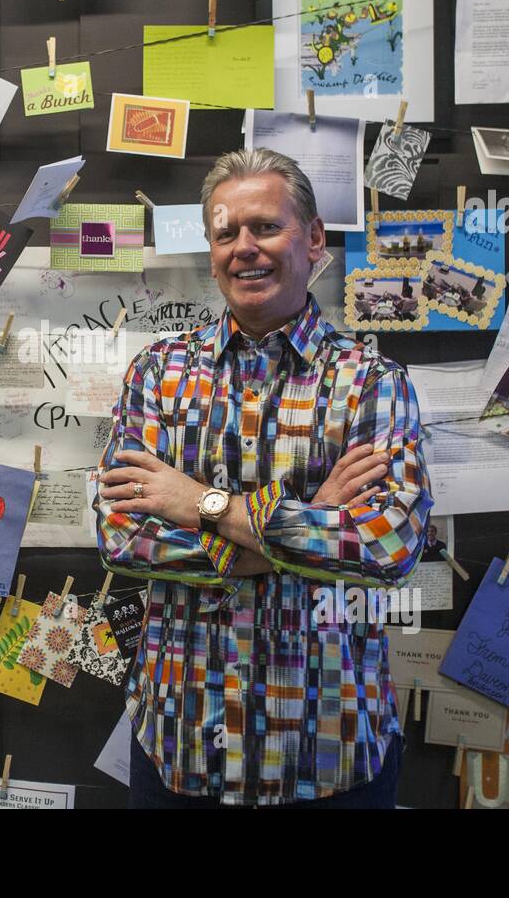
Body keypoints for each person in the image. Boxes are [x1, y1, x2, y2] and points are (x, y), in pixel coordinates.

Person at [96, 148, 433, 808]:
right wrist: (309, 522)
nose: (244, 247)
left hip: (331, 752)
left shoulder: (371, 383)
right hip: (180, 746)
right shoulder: (158, 374)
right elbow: (121, 535)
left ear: (312, 239)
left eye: (265, 227)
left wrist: (200, 503)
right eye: (226, 232)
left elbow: (389, 549)